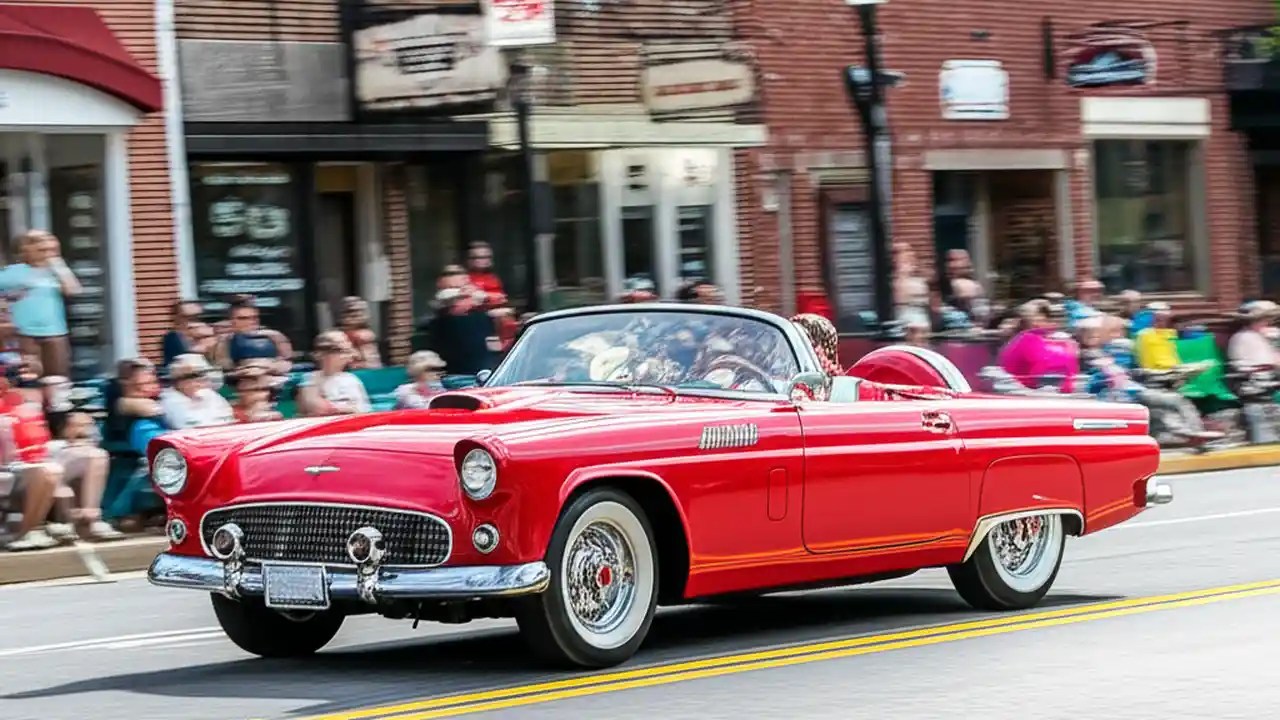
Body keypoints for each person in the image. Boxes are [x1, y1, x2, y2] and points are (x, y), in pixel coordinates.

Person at [0, 230, 80, 377]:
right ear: (25, 248)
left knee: (57, 379)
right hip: (25, 334)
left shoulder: (56, 271)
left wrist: (57, 263)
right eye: (37, 242)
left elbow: (72, 290)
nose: (44, 245)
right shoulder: (13, 272)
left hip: (55, 333)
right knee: (29, 378)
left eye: (48, 239)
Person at [423, 268, 493, 380]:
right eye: (450, 290)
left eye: (462, 290)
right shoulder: (436, 325)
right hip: (449, 380)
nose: (458, 298)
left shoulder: (484, 319)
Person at [997, 299, 1081, 393]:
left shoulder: (1064, 341)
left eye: (1046, 316)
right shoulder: (1024, 340)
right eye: (1037, 317)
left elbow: (1070, 371)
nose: (1039, 321)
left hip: (1062, 396)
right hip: (1028, 394)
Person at [213, 294, 293, 374]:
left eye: (254, 317)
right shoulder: (224, 340)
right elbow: (223, 367)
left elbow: (287, 361)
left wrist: (269, 368)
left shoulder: (274, 336)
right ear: (231, 320)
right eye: (243, 318)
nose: (251, 322)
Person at [298, 331, 371, 416]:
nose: (347, 354)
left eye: (348, 349)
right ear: (319, 354)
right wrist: (347, 409)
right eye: (337, 349)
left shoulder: (352, 379)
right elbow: (317, 408)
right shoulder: (310, 379)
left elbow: (364, 410)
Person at [160, 354, 236, 429]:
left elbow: (228, 420)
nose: (199, 383)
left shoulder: (212, 396)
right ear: (178, 382)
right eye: (191, 378)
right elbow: (187, 427)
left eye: (202, 377)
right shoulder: (169, 400)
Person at [1227, 300, 1280, 370]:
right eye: (1263, 320)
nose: (1267, 323)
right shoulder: (1244, 337)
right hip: (1257, 377)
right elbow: (1266, 363)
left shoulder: (1266, 334)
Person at [161, 300, 213, 366]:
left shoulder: (200, 333)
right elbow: (185, 354)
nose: (191, 321)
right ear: (176, 317)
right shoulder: (172, 337)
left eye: (194, 317)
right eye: (186, 317)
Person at [338, 296, 382, 369]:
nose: (357, 314)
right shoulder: (340, 336)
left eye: (360, 311)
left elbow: (371, 361)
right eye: (350, 312)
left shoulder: (365, 334)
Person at [467, 242, 506, 310]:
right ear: (470, 260)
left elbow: (502, 299)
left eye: (488, 257)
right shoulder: (464, 278)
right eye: (480, 257)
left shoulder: (493, 278)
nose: (485, 260)